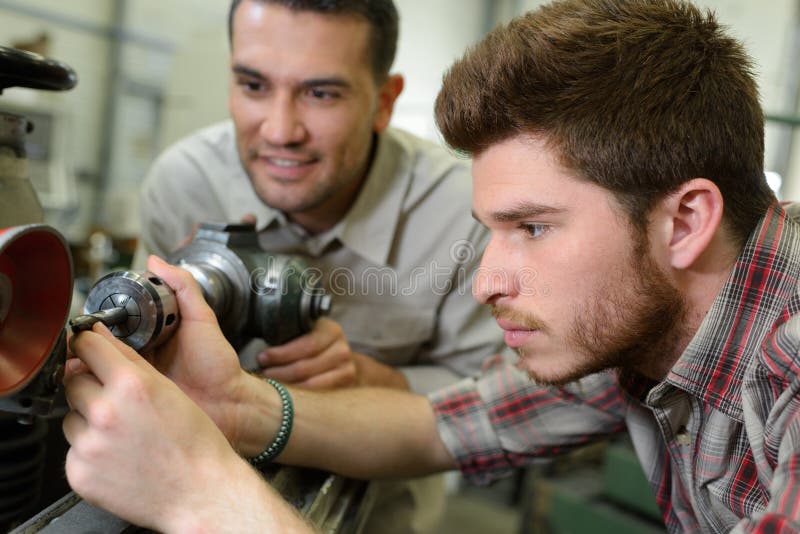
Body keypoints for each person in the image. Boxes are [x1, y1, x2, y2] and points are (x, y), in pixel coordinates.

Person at [63, 0, 800, 532]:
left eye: (533, 229)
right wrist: (236, 407)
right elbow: (441, 427)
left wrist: (201, 495)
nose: (486, 282)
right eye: (492, 232)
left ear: (685, 221)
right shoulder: (639, 329)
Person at [130, 0, 507, 532]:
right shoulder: (184, 183)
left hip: (382, 504)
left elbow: (495, 397)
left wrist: (373, 379)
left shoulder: (461, 216)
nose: (281, 131)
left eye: (321, 93)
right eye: (254, 86)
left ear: (384, 101)